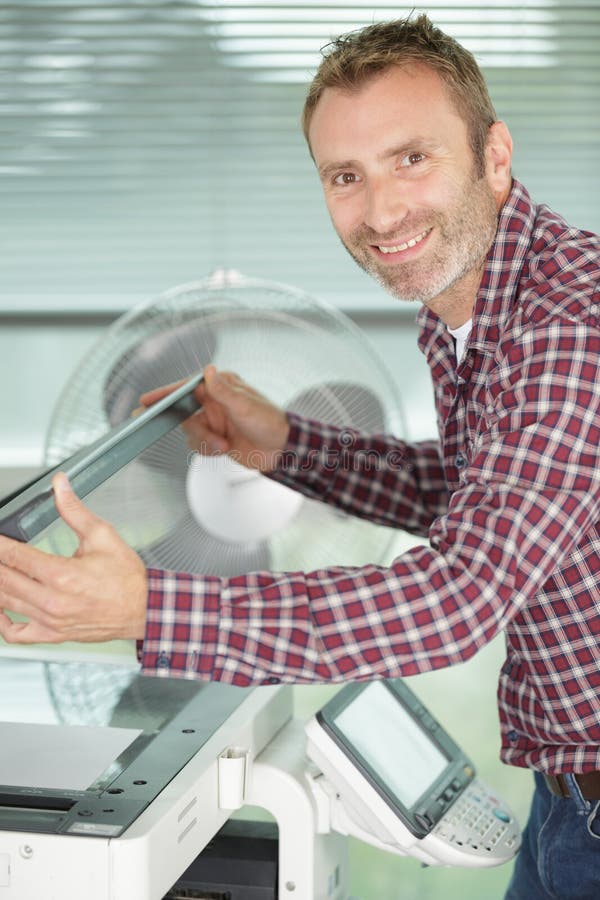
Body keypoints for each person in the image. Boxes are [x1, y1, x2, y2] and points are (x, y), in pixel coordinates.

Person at [0, 13, 599, 899]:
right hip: (567, 796)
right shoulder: (467, 308)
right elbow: (493, 494)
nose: (383, 211)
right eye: (345, 177)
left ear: (494, 154)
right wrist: (287, 445)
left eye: (412, 159)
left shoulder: (567, 325)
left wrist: (149, 605)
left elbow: (462, 595)